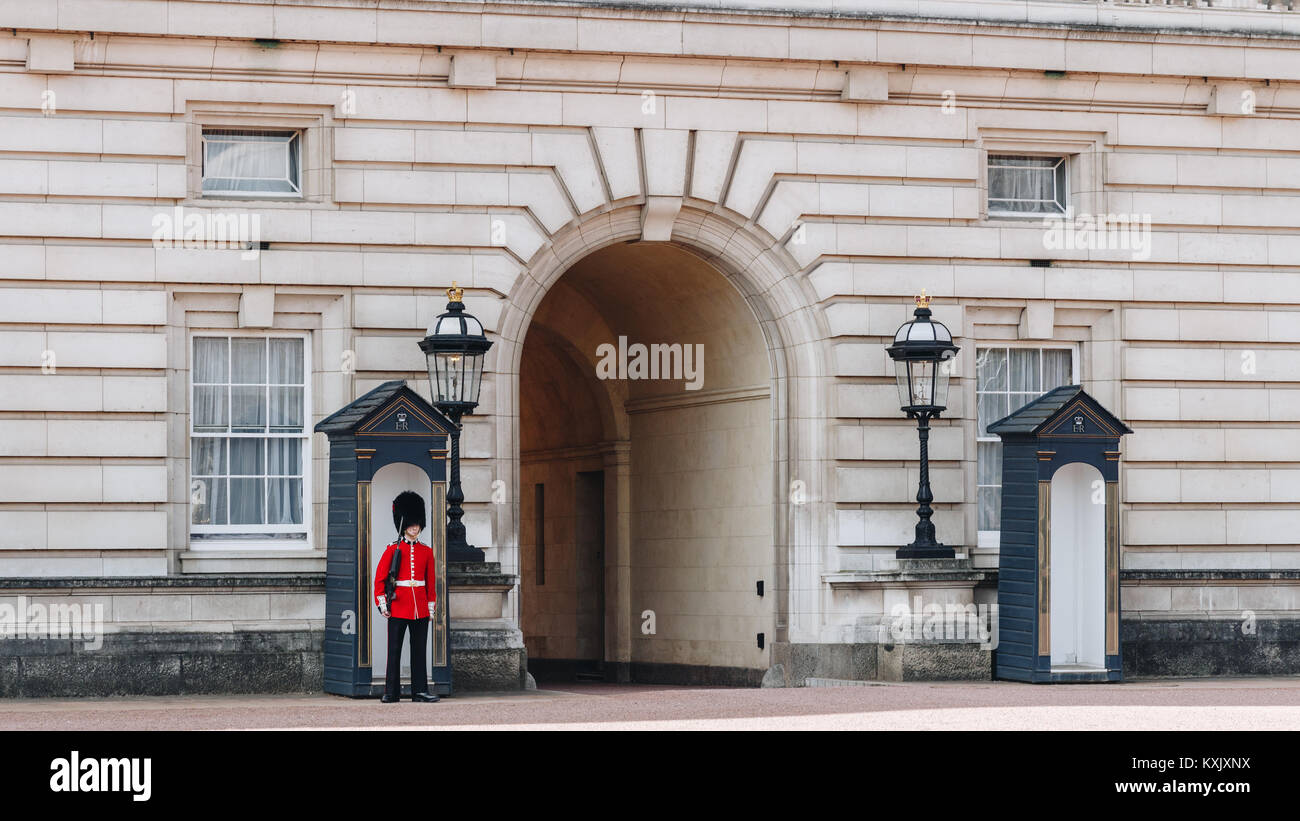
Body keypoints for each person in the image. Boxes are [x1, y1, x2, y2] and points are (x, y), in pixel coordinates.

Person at [374, 490, 439, 703]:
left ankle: (419, 691)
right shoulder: (392, 550)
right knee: (394, 650)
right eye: (411, 523)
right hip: (399, 605)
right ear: (404, 524)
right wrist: (383, 604)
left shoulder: (426, 552)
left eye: (418, 523)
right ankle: (391, 692)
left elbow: (430, 582)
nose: (415, 527)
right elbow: (380, 580)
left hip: (419, 606)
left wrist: (430, 607)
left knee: (419, 651)